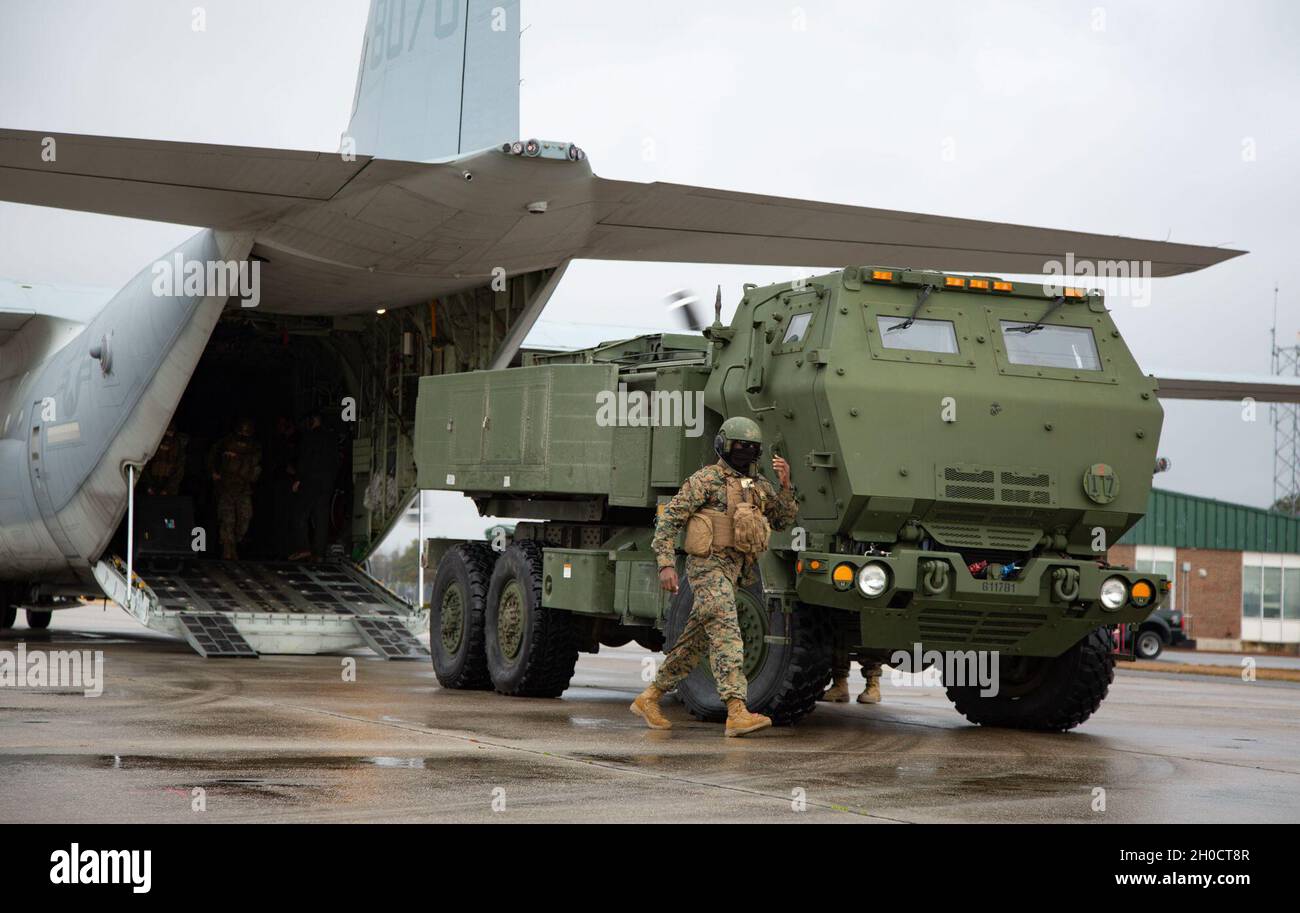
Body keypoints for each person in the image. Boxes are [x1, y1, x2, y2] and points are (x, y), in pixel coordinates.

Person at [630, 416, 798, 738]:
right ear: (723, 446)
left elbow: (781, 520)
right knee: (727, 629)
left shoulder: (758, 487)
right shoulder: (704, 481)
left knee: (693, 643)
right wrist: (666, 564)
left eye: (751, 449)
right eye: (739, 448)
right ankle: (736, 711)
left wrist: (785, 484)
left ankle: (649, 698)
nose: (744, 454)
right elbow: (668, 523)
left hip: (735, 572)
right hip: (707, 568)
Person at [208, 418, 262, 560]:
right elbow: (212, 457)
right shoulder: (225, 442)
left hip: (244, 487)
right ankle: (228, 548)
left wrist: (239, 459)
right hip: (226, 486)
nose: (243, 434)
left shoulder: (254, 447)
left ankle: (234, 542)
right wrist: (213, 472)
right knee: (227, 519)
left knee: (245, 518)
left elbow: (255, 462)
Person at [289, 412, 340, 562]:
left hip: (311, 481)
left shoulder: (309, 437)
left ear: (312, 421)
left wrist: (298, 479)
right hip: (327, 482)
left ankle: (303, 548)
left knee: (300, 514)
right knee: (321, 517)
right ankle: (319, 553)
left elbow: (305, 460)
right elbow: (336, 461)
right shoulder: (331, 438)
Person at [142, 424, 188, 496]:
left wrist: (167, 490)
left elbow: (179, 470)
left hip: (169, 491)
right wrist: (149, 486)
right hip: (152, 488)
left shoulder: (177, 446)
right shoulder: (154, 442)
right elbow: (144, 466)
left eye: (170, 433)